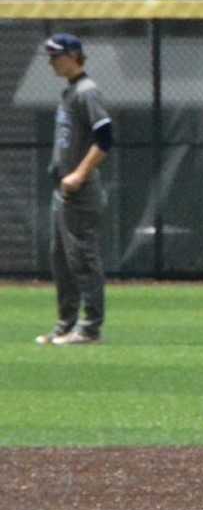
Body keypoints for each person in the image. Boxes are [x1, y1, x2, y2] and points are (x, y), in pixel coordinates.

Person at [35, 33, 113, 346]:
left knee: (83, 258)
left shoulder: (87, 91)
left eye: (56, 56)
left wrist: (80, 173)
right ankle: (65, 325)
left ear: (74, 56)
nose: (52, 62)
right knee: (62, 260)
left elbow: (105, 138)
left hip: (81, 192)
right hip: (63, 193)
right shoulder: (69, 93)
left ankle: (89, 328)